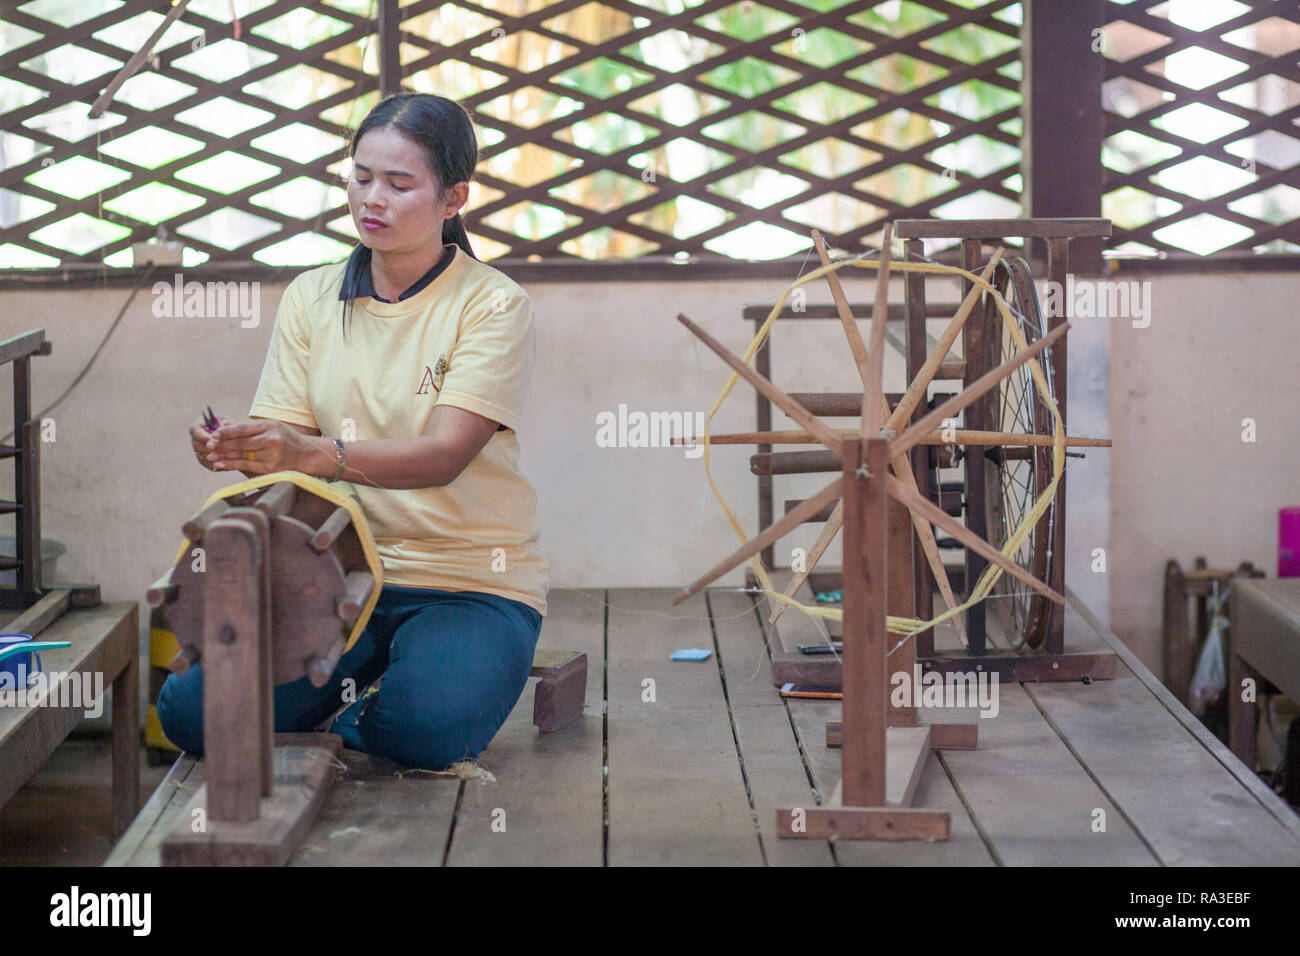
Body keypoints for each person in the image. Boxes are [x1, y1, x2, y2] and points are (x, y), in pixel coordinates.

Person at [157, 92, 549, 769]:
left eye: (400, 184)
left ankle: (368, 706)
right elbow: (285, 457)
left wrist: (312, 452)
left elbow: (443, 457)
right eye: (361, 176)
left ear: (453, 199)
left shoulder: (492, 303)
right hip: (331, 569)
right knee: (193, 714)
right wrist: (242, 448)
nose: (373, 198)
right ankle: (350, 693)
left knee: (425, 729)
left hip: (466, 578)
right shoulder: (311, 295)